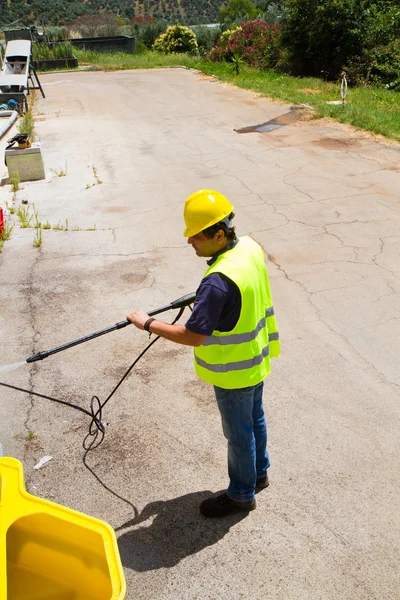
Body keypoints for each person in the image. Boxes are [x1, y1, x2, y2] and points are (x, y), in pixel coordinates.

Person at [127, 190, 280, 518]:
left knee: (238, 433)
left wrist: (148, 323)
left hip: (232, 371)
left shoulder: (217, 283)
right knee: (255, 418)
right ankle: (259, 474)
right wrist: (210, 304)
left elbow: (193, 336)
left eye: (195, 236)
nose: (190, 242)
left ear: (219, 234)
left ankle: (241, 494)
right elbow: (240, 295)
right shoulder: (249, 248)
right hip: (255, 358)